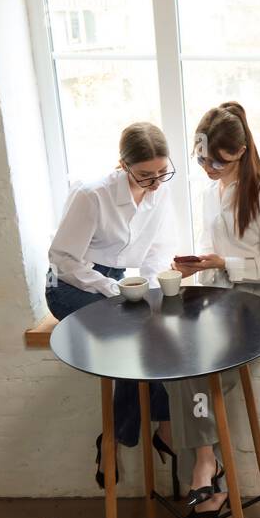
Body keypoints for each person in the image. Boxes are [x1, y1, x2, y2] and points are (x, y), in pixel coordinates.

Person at [167, 101, 260, 518]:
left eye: (215, 159)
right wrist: (197, 266)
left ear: (240, 151)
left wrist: (223, 263)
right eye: (200, 157)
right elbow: (216, 256)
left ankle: (205, 470)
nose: (206, 167)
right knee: (178, 365)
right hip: (220, 297)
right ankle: (209, 467)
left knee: (198, 373)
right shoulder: (212, 193)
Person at [46, 122, 179, 489]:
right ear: (123, 164)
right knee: (128, 339)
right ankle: (129, 435)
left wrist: (152, 292)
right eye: (145, 175)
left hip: (119, 282)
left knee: (157, 332)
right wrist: (112, 288)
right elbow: (62, 258)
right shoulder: (93, 195)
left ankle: (148, 429)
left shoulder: (159, 195)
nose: (154, 183)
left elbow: (156, 251)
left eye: (161, 173)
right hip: (73, 283)